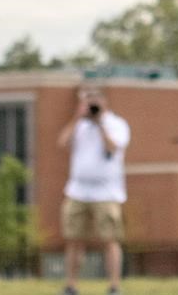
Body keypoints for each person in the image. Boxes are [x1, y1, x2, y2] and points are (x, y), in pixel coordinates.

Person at [57, 85, 130, 295]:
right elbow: (62, 142)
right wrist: (77, 117)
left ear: (104, 101)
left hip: (107, 193)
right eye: (88, 101)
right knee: (73, 239)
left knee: (110, 239)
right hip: (77, 191)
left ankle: (114, 286)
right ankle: (71, 286)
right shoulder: (79, 125)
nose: (92, 105)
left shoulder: (116, 124)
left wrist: (99, 124)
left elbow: (113, 147)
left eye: (95, 101)